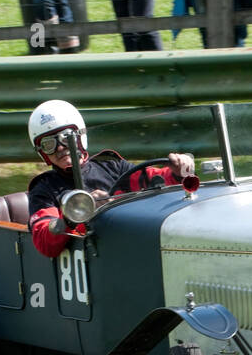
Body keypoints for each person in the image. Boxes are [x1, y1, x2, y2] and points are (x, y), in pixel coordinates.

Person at [26, 99, 195, 257]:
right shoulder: (44, 188)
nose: (61, 148)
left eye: (65, 138)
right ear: (42, 152)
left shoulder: (111, 165)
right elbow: (44, 240)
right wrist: (76, 213)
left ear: (79, 135)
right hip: (95, 259)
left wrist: (178, 171)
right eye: (49, 145)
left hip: (132, 244)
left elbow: (157, 181)